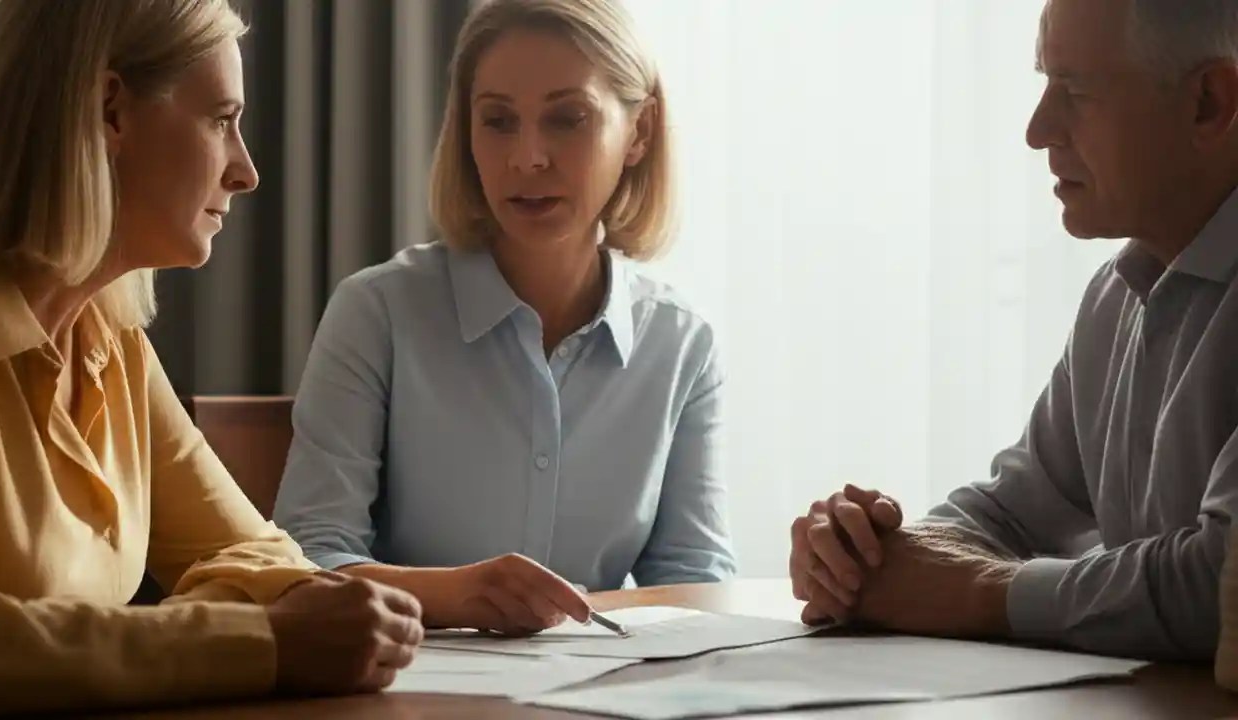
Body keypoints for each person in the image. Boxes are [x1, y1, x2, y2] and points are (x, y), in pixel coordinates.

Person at [0, 1, 422, 714]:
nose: (247, 171)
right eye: (220, 119)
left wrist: (204, 636)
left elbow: (262, 558)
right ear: (112, 111)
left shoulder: (111, 345)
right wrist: (252, 642)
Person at [790, 0, 1238, 662]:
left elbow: (1221, 584)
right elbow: (1012, 515)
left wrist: (974, 591)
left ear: (1209, 102)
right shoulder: (1116, 297)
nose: (1037, 129)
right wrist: (866, 559)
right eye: (1044, 85)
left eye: (1077, 91)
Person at [274, 0, 736, 636]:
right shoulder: (378, 312)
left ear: (641, 132)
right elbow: (303, 565)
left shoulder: (681, 341)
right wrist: (455, 594)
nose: (527, 158)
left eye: (567, 119)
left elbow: (692, 579)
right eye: (496, 121)